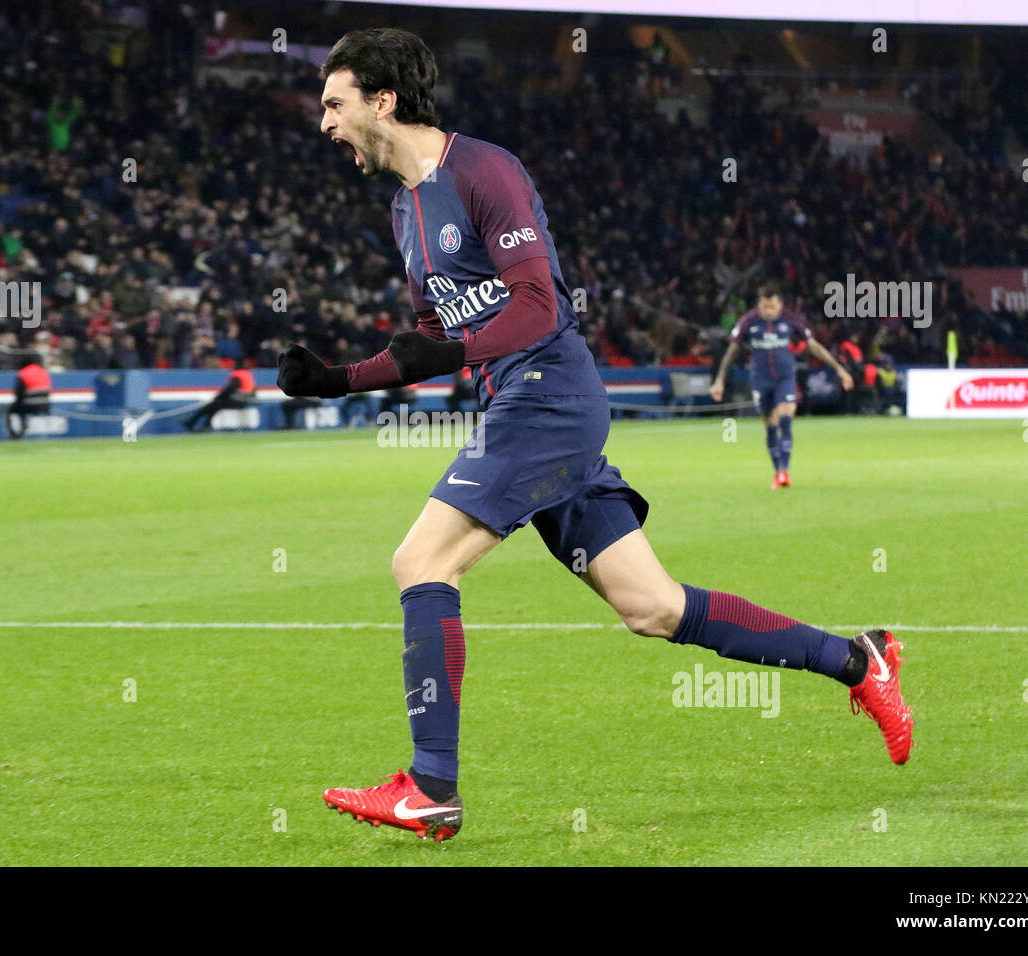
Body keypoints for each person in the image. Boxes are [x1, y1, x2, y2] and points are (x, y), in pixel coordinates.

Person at [277, 28, 913, 842]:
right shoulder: (405, 210)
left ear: (383, 100)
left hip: (549, 398)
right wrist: (340, 378)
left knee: (421, 562)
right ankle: (861, 660)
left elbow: (539, 307)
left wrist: (452, 352)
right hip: (523, 404)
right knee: (654, 608)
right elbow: (430, 340)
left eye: (334, 103)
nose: (324, 122)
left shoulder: (484, 171)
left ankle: (431, 784)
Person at [709, 285, 855, 488]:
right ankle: (777, 470)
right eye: (764, 306)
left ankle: (784, 472)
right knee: (770, 426)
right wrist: (720, 379)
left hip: (785, 378)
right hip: (760, 380)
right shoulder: (749, 321)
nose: (768, 311)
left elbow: (813, 346)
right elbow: (732, 351)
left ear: (780, 304)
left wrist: (839, 369)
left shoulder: (791, 319)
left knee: (785, 419)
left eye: (772, 307)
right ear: (759, 304)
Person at [182, 359, 256, 431]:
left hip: (237, 401)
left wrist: (218, 396)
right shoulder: (248, 374)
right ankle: (204, 424)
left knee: (211, 406)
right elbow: (252, 390)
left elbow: (230, 389)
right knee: (214, 407)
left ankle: (192, 422)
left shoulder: (238, 374)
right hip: (244, 401)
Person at [4, 354, 52, 439]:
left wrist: (16, 404)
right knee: (21, 407)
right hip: (46, 405)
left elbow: (19, 394)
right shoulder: (43, 372)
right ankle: (23, 428)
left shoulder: (23, 373)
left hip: (30, 406)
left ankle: (15, 434)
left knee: (8, 409)